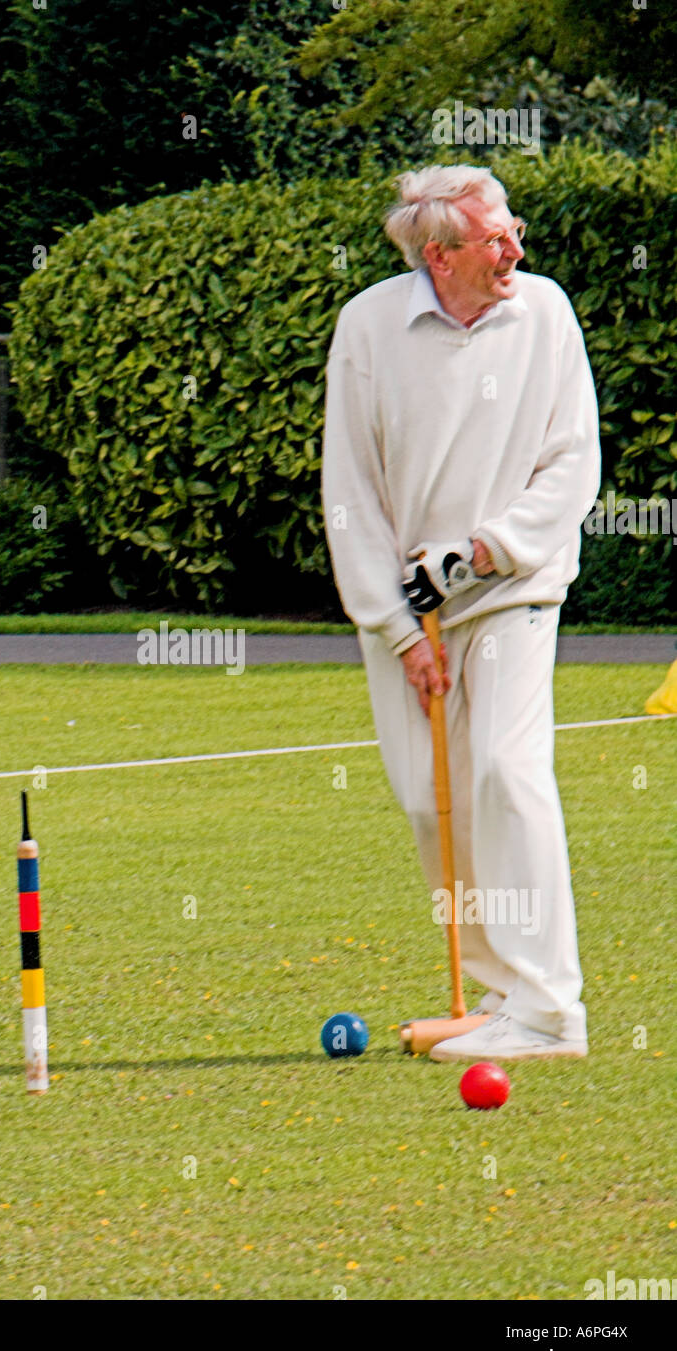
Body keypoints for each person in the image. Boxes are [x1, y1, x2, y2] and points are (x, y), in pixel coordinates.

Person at [321, 165, 601, 1061]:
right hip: (409, 610)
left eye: (513, 230)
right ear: (439, 256)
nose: (515, 249)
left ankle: (551, 1012)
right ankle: (501, 993)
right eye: (494, 239)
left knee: (507, 773)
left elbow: (573, 464)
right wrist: (400, 628)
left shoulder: (546, 313)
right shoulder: (369, 326)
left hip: (515, 588)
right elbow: (351, 491)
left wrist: (485, 551)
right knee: (430, 802)